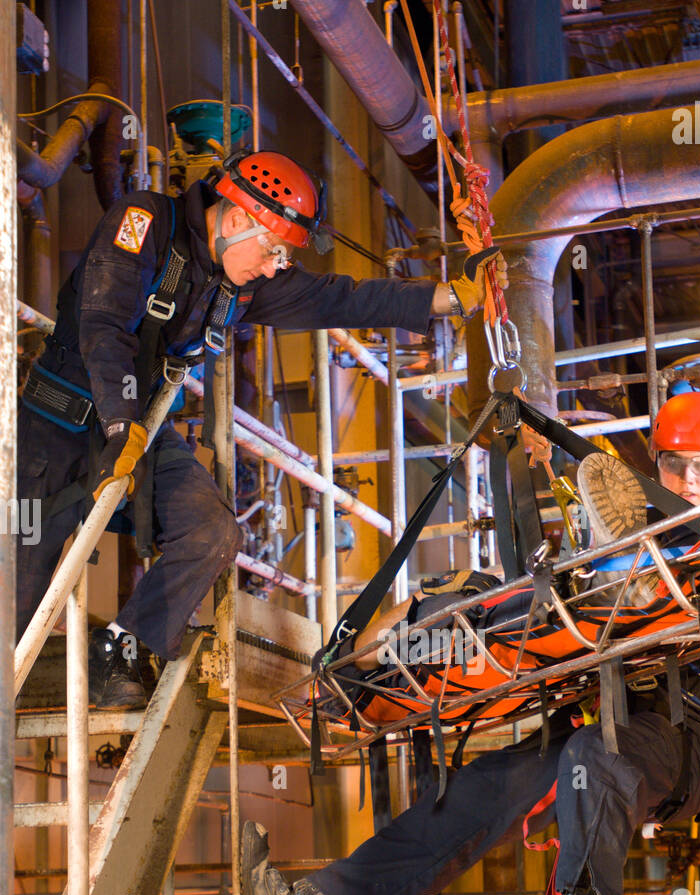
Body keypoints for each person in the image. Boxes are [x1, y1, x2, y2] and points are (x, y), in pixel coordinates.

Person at [240, 391, 700, 895]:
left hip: (684, 738)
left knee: (594, 759)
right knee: (475, 795)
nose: (689, 482)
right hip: (609, 713)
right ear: (656, 464)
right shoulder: (645, 539)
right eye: (675, 466)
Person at [17, 148, 501, 706]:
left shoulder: (243, 281)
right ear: (237, 218)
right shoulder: (143, 225)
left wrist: (450, 298)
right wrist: (120, 423)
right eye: (274, 250)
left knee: (212, 531)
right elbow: (103, 327)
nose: (276, 266)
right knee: (17, 605)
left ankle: (122, 647)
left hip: (137, 433)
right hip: (54, 430)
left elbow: (340, 298)